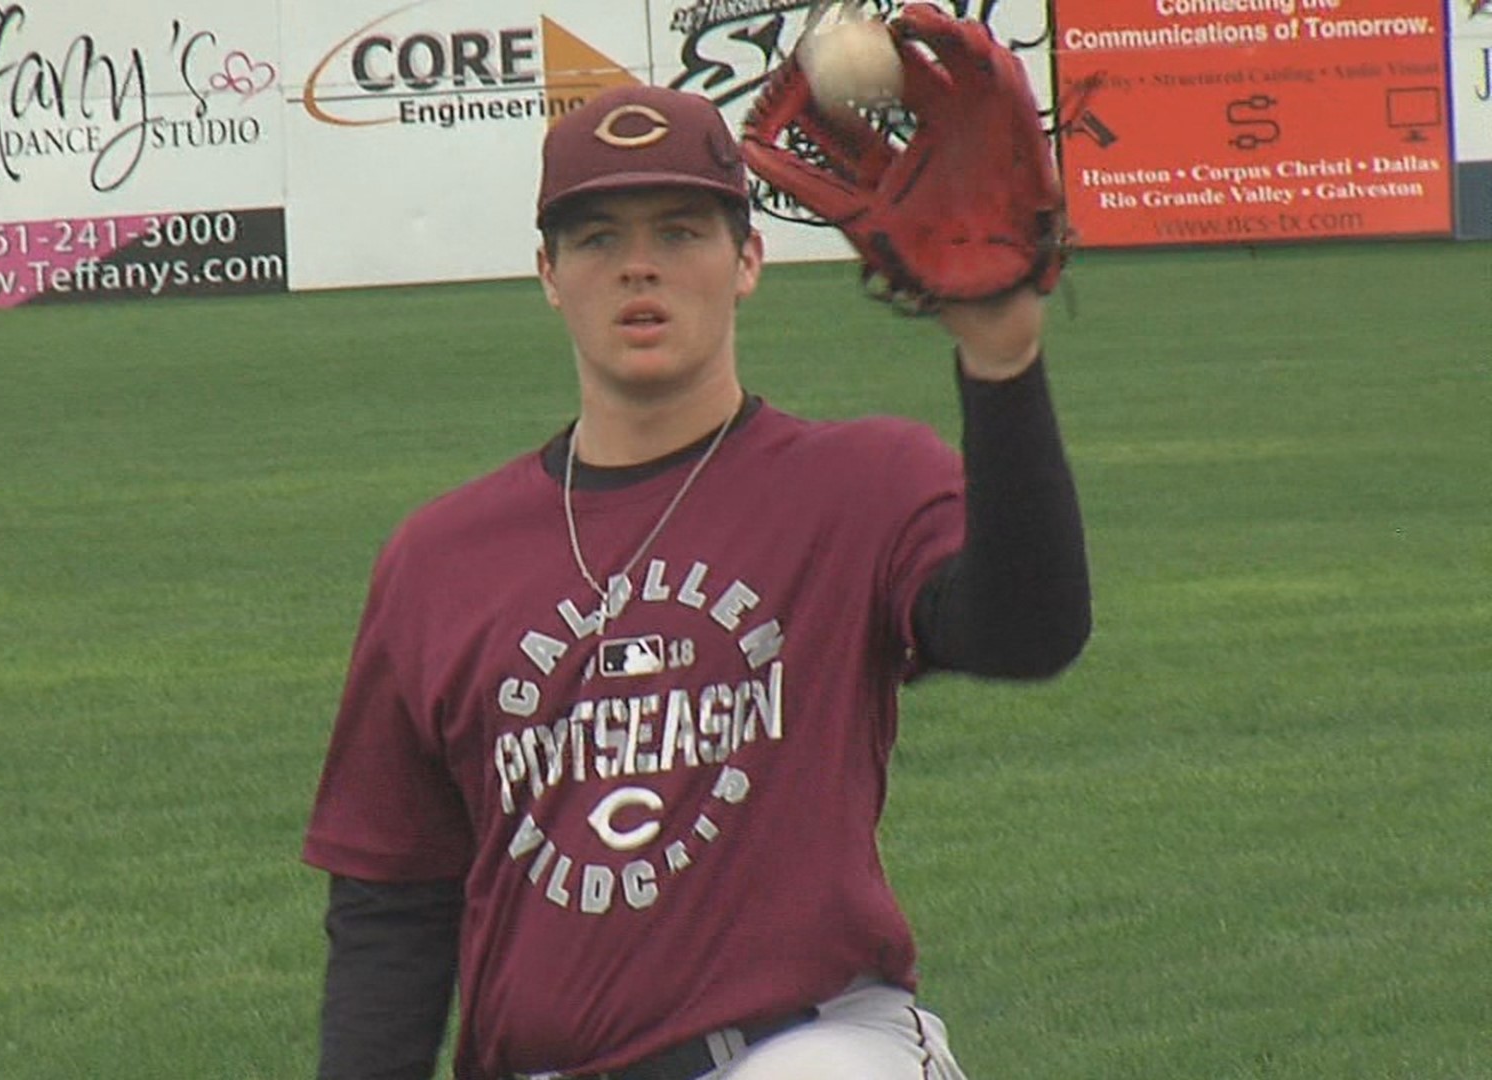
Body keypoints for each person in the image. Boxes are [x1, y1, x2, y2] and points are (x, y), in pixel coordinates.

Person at [303, 81, 1091, 1080]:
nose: (638, 265)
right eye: (595, 240)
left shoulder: (858, 484)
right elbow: (393, 901)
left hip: (810, 1048)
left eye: (681, 232)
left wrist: (1002, 357)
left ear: (748, 260)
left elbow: (1030, 630)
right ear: (547, 273)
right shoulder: (438, 559)